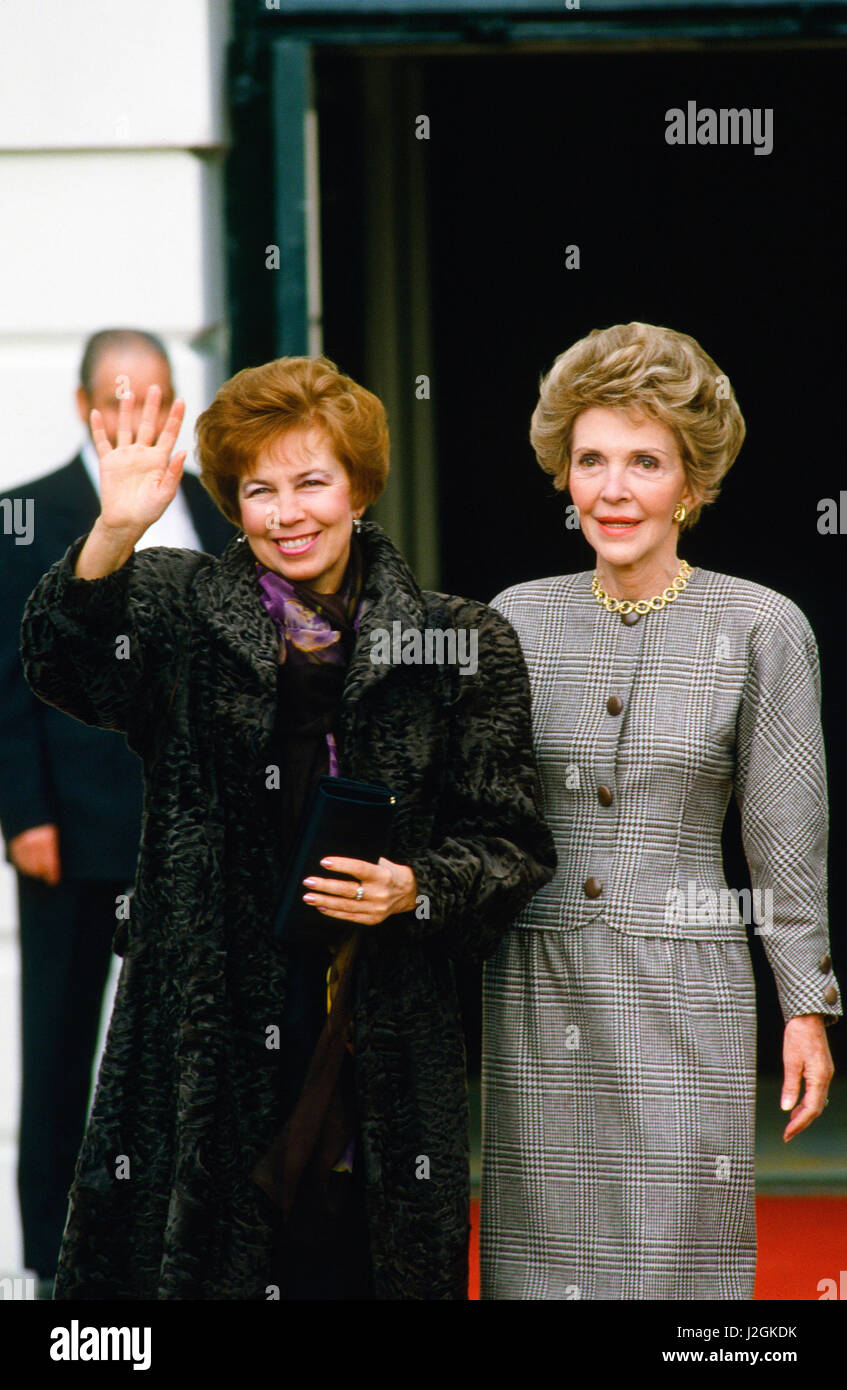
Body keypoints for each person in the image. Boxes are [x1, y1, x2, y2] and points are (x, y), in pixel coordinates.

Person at [20, 354, 555, 1299]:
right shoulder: (182, 610)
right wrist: (114, 531)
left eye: (311, 481)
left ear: (357, 487)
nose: (286, 512)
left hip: (374, 1021)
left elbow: (510, 844)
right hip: (204, 1025)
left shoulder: (458, 639)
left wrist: (417, 888)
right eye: (258, 490)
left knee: (357, 1257)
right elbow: (66, 664)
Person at [481, 321, 840, 1300]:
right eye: (590, 460)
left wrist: (805, 1006)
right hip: (536, 983)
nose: (612, 488)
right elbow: (475, 818)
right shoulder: (514, 616)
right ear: (562, 474)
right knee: (538, 1264)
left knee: (672, 1267)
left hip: (686, 988)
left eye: (644, 462)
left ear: (690, 482)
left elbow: (784, 837)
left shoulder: (760, 623)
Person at [0, 328, 233, 1298]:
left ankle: (178, 1243)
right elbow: (7, 681)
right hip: (72, 832)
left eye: (156, 397)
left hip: (194, 831)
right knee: (60, 1043)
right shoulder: (24, 512)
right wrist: (24, 817)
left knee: (195, 1044)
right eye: (117, 401)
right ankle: (52, 1254)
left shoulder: (216, 512)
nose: (136, 416)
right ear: (85, 408)